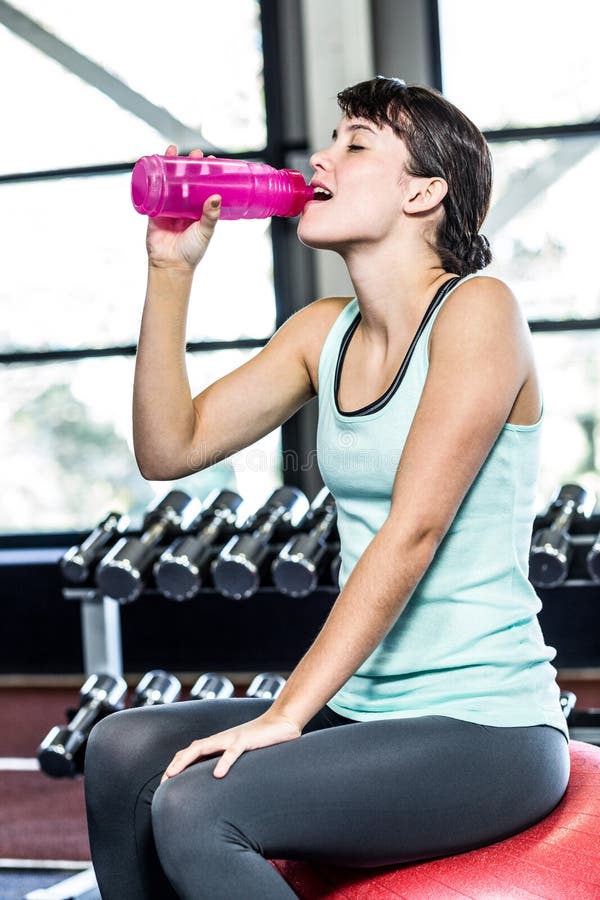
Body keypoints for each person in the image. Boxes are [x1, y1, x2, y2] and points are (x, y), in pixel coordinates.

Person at [84, 77, 570, 900]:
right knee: (121, 753)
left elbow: (412, 533)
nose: (320, 156)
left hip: (485, 730)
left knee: (198, 810)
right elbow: (169, 449)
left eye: (355, 143)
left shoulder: (478, 313)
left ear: (424, 192)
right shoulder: (322, 332)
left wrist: (284, 714)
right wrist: (171, 270)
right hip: (363, 714)